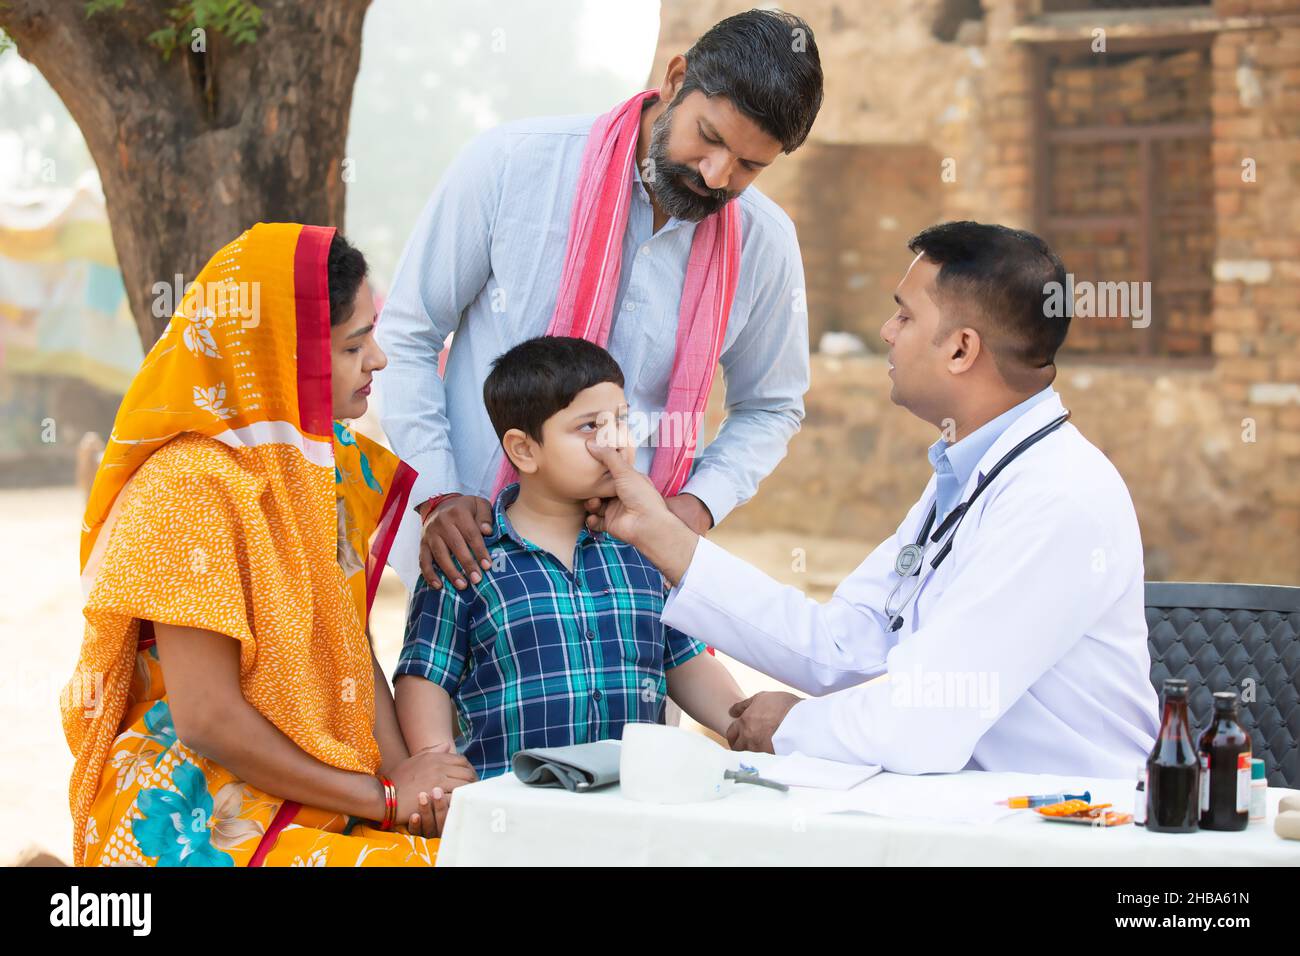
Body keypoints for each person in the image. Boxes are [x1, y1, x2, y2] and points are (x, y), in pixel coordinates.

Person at [583, 222, 1161, 778]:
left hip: (1071, 828)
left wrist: (793, 728)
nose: (887, 331)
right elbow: (843, 646)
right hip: (975, 807)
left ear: (961, 350)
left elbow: (929, 718)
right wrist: (660, 535)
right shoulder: (967, 474)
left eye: (905, 315)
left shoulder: (1058, 497)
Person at [62, 224, 476, 867]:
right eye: (353, 345)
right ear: (282, 355)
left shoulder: (319, 469)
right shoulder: (186, 488)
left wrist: (414, 791)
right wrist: (385, 799)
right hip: (191, 803)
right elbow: (207, 718)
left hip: (320, 784)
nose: (380, 361)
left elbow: (347, 647)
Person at [376, 8, 823, 597]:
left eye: (749, 166)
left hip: (630, 578)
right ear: (675, 78)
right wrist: (438, 490)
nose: (716, 176)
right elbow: (408, 335)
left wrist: (694, 507)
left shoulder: (763, 243)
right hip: (467, 554)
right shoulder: (513, 166)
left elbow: (770, 405)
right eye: (708, 139)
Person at [393, 337, 744, 779]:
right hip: (510, 811)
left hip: (630, 803)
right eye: (588, 427)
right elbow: (426, 676)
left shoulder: (645, 552)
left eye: (621, 421)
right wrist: (435, 763)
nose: (614, 441)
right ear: (523, 449)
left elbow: (686, 662)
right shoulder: (468, 555)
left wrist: (741, 722)